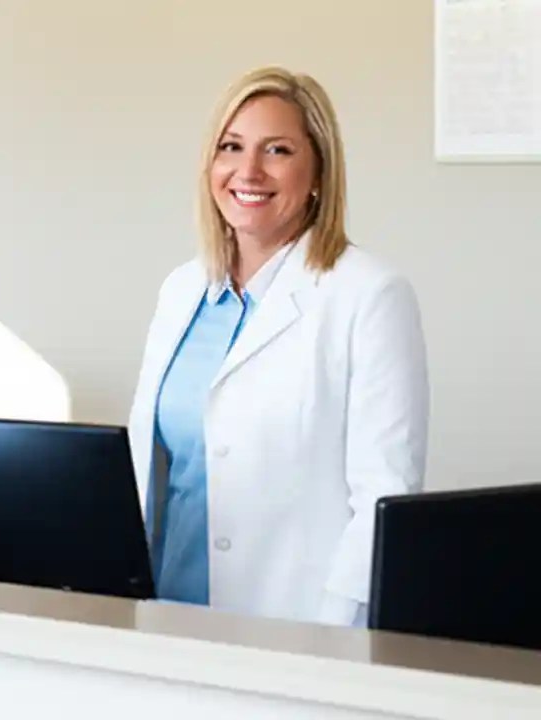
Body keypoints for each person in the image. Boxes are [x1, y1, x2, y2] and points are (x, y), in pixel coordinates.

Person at [127, 66, 429, 627]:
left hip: (297, 626)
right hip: (167, 616)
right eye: (231, 147)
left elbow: (385, 496)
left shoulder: (369, 295)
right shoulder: (182, 291)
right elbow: (149, 469)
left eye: (278, 150)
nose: (249, 171)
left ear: (318, 170)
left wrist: (336, 634)